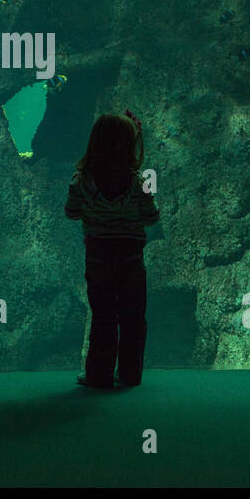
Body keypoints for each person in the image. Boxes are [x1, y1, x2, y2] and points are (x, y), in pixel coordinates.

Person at [64, 111, 160, 389]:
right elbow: (152, 218)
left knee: (103, 315)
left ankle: (99, 374)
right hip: (130, 257)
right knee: (133, 316)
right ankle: (130, 374)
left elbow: (71, 213)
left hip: (98, 256)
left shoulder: (80, 181)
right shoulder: (137, 184)